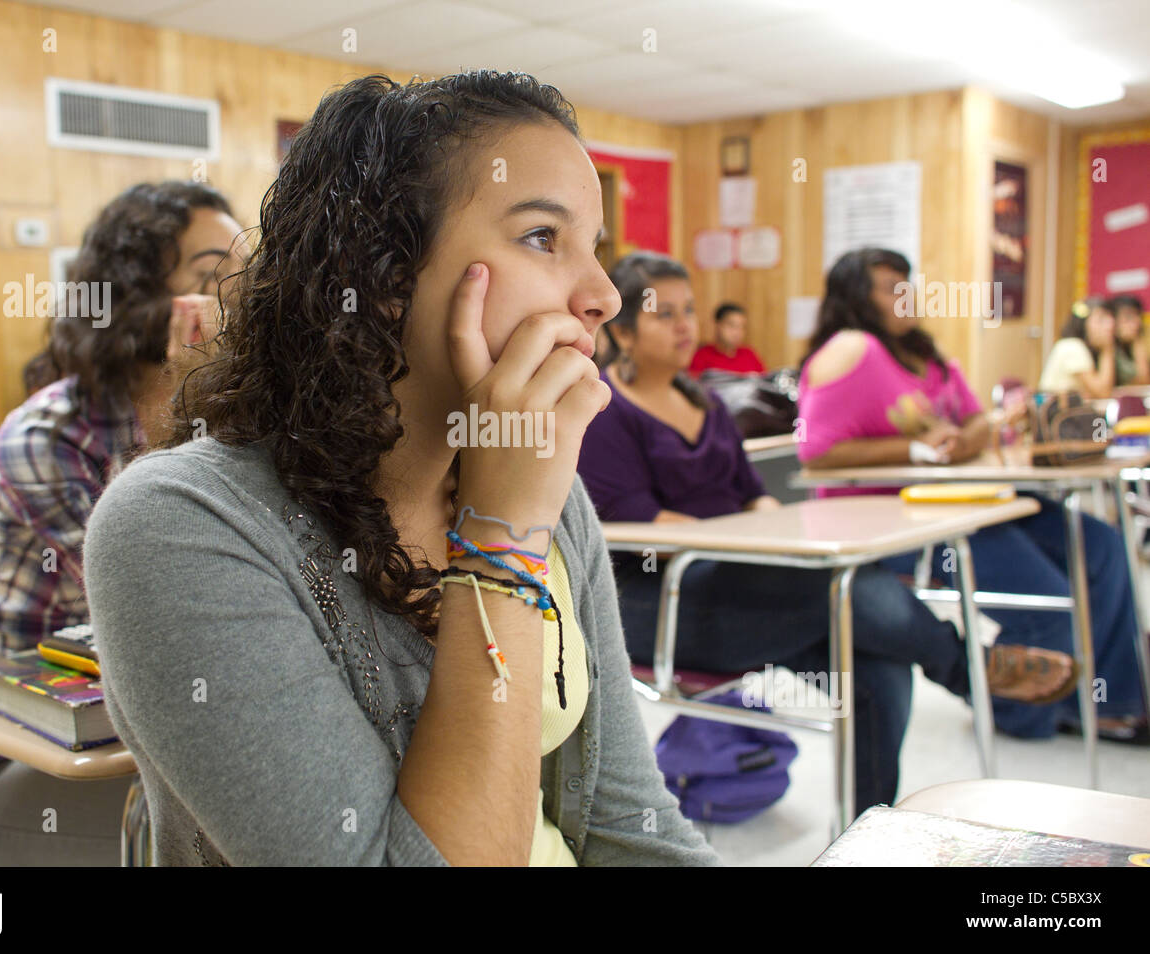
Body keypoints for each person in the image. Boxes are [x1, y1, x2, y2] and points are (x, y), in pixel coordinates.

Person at [82, 71, 721, 867]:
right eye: (540, 237)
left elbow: (629, 825)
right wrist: (502, 541)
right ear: (382, 278)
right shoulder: (177, 527)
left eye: (594, 247)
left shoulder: (547, 485)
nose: (603, 297)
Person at [579, 250, 1076, 816]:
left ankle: (865, 838)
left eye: (690, 310)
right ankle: (968, 669)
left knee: (877, 662)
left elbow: (754, 491)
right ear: (620, 329)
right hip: (664, 605)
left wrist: (766, 528)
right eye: (664, 313)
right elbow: (637, 523)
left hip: (751, 586)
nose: (685, 325)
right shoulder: (606, 407)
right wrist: (750, 538)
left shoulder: (707, 402)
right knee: (851, 590)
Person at [798, 248, 1147, 744]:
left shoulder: (924, 354)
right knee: (1044, 594)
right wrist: (915, 446)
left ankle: (1108, 703)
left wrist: (971, 437)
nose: (905, 295)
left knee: (1102, 546)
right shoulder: (852, 348)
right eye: (888, 286)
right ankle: (1020, 708)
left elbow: (976, 418)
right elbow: (816, 452)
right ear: (854, 297)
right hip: (900, 516)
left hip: (968, 497)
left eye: (907, 283)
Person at [0, 181, 243, 659]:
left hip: (159, 677)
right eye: (212, 274)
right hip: (29, 699)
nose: (237, 298)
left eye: (246, 275)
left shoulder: (235, 408)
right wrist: (197, 401)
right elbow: (156, 593)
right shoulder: (46, 437)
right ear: (134, 296)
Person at [1039, 298, 1117, 397]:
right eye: (1101, 320)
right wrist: (1107, 350)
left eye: (1111, 320)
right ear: (1083, 323)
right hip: (1058, 411)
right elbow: (1103, 392)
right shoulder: (1072, 346)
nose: (1109, 326)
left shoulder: (1085, 347)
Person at [688, 302, 766, 376]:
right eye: (732, 325)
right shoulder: (701, 356)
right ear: (718, 326)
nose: (737, 332)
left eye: (742, 327)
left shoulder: (749, 354)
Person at [1111, 295, 1150, 387]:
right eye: (1128, 317)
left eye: (1138, 316)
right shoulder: (1104, 346)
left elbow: (1145, 380)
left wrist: (1137, 342)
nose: (1137, 322)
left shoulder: (1144, 339)